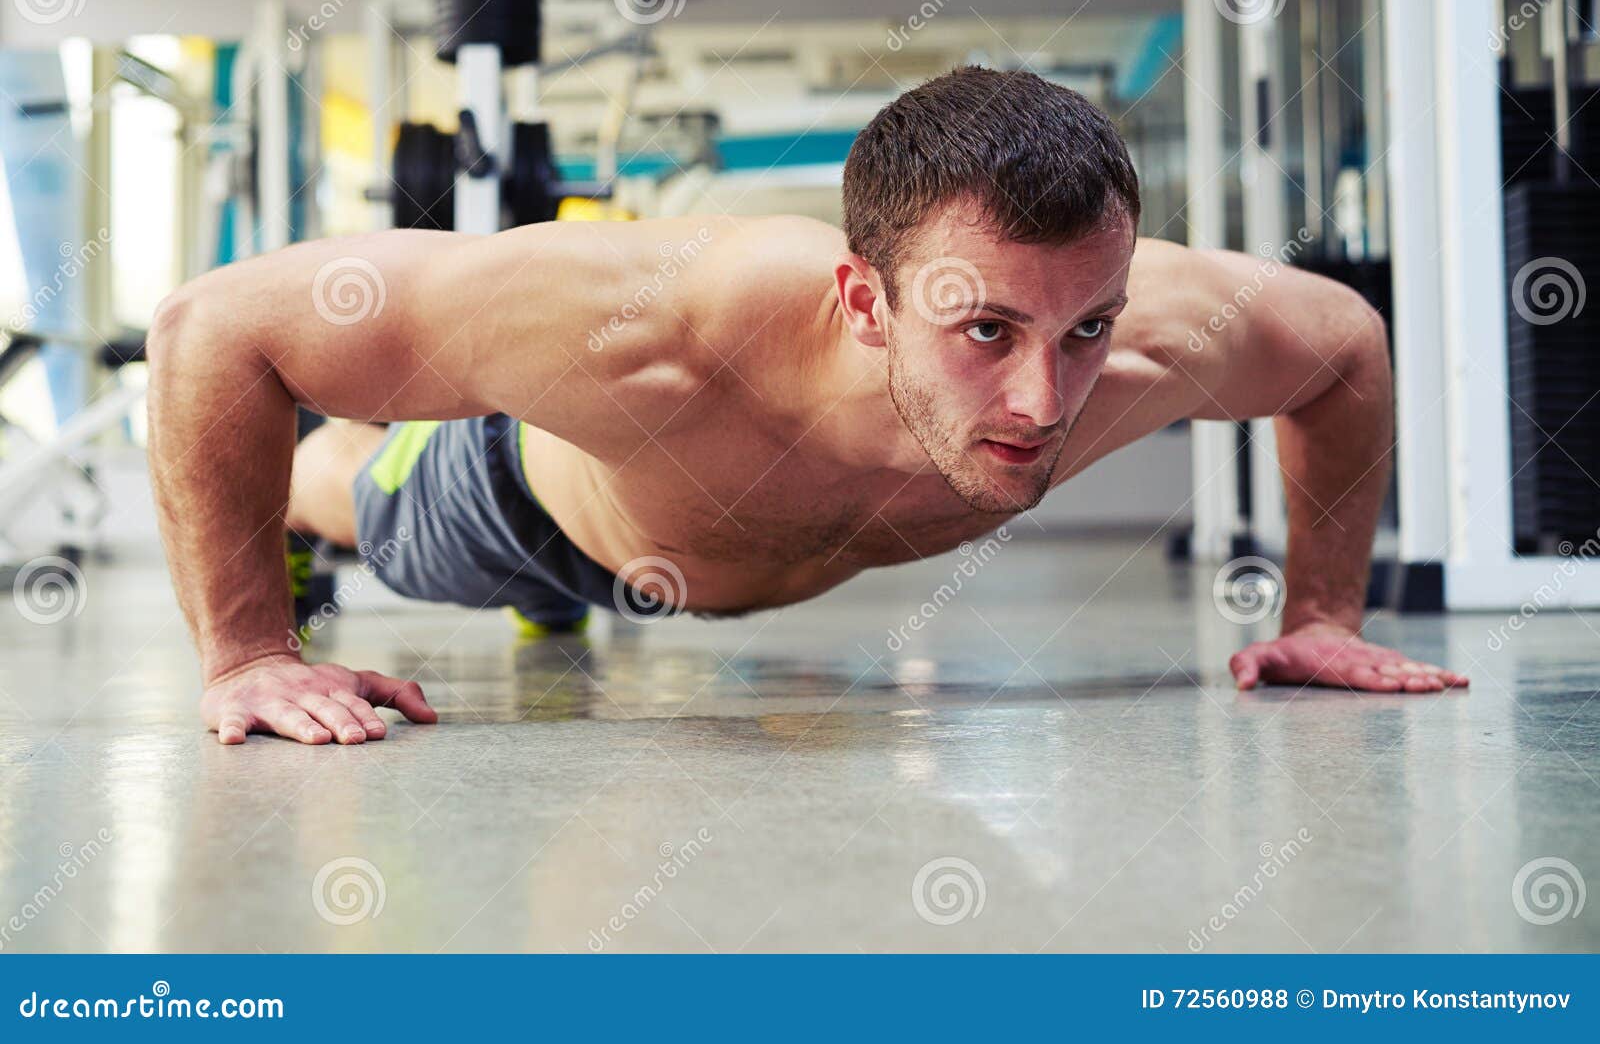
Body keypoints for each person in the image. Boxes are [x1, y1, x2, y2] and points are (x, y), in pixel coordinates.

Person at [146, 66, 1466, 747]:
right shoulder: (646, 322)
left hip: (711, 546)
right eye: (986, 330)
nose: (1043, 395)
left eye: (1087, 329)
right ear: (864, 298)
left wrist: (1322, 617)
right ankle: (332, 506)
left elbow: (1344, 345)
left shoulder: (1145, 341)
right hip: (529, 506)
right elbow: (213, 330)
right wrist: (249, 650)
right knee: (368, 499)